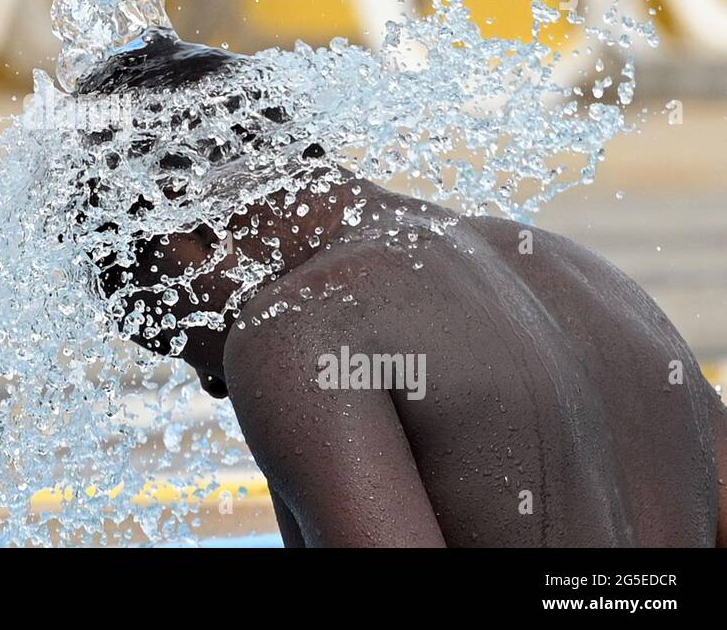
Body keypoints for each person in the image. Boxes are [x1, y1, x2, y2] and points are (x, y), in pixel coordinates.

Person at [81, 33, 726, 547]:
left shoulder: (297, 326)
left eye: (182, 337)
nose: (217, 384)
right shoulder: (595, 282)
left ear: (183, 227)